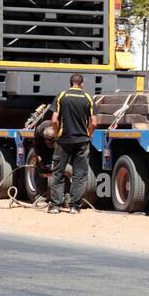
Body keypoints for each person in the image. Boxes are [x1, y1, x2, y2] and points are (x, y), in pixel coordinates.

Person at [48, 74, 96, 213]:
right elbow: (94, 122)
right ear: (82, 84)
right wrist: (88, 135)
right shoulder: (88, 97)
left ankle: (56, 206)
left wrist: (57, 134)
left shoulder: (62, 96)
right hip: (82, 141)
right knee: (79, 175)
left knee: (58, 173)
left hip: (63, 141)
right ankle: (74, 206)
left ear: (70, 83)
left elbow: (54, 120)